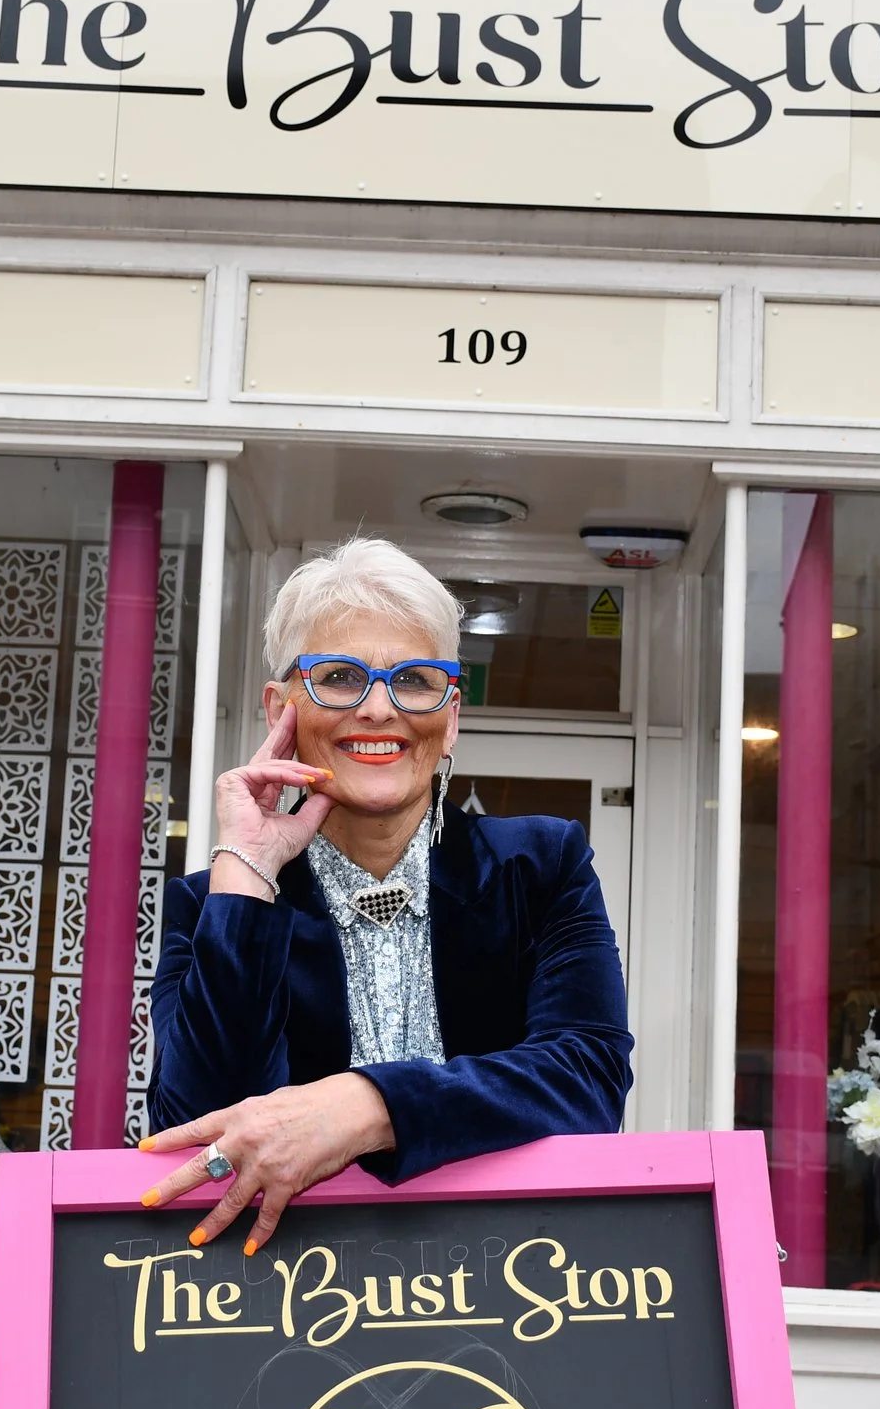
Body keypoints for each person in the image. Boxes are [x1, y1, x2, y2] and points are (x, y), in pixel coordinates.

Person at [142, 536, 633, 1253]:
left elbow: (587, 1079)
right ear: (282, 708)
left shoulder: (542, 865)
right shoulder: (214, 904)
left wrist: (364, 1104)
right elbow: (198, 1126)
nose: (378, 708)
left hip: (515, 1289)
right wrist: (250, 870)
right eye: (339, 676)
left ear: (452, 714)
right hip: (285, 1306)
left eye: (415, 679)